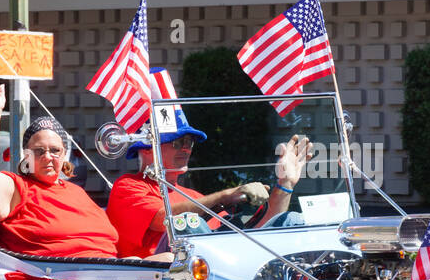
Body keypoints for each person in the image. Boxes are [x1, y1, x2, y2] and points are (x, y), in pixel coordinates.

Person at [0, 75, 148, 259]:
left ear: (63, 155)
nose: (47, 157)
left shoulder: (76, 192)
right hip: (62, 277)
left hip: (112, 269)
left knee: (168, 261)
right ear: (26, 155)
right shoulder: (18, 187)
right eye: (39, 151)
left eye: (54, 150)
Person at [106, 108, 310, 259]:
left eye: (189, 143)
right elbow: (165, 219)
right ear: (147, 149)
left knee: (290, 221)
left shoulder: (193, 196)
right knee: (188, 226)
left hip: (211, 277)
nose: (186, 149)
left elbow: (259, 230)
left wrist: (286, 183)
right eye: (178, 142)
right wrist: (226, 195)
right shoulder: (128, 186)